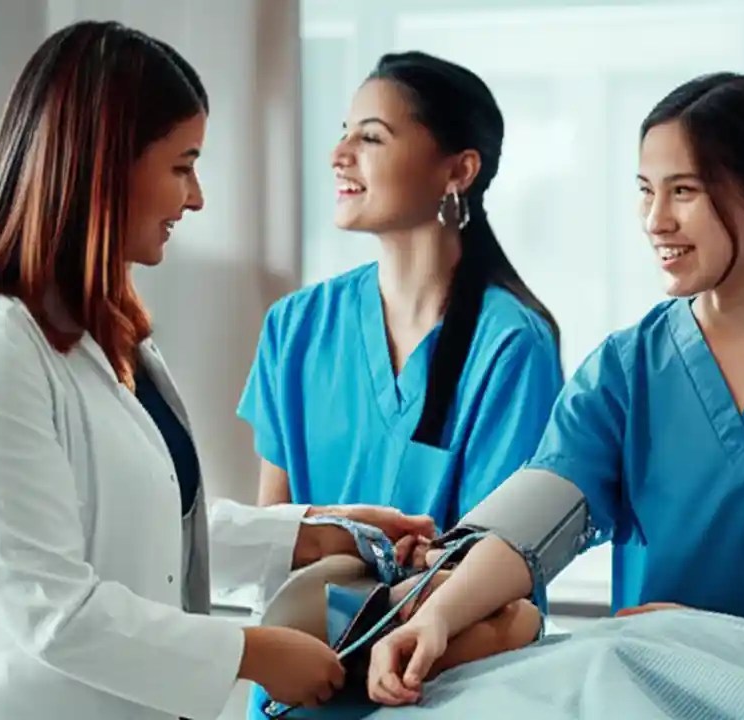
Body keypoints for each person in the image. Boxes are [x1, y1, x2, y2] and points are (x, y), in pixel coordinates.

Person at [360, 71, 744, 706]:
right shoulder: (625, 369)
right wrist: (436, 615)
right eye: (645, 191)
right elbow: (533, 523)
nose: (656, 220)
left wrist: (711, 642)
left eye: (683, 191)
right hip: (648, 696)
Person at [0, 22, 434, 720]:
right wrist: (251, 651)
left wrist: (315, 530)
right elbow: (50, 605)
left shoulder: (113, 338)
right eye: (182, 165)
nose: (197, 196)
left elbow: (149, 528)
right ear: (105, 164)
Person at [238, 50, 562, 717]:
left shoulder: (510, 345)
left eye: (372, 136)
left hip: (438, 689)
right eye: (343, 130)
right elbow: (275, 537)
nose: (339, 153)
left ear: (458, 170)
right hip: (295, 683)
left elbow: (497, 578)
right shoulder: (295, 327)